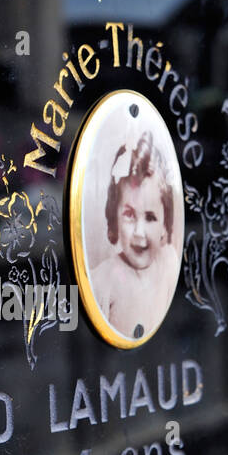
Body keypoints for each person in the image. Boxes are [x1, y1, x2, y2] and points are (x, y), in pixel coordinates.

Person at [89, 131, 179, 338]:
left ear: (165, 225)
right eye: (129, 215)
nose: (139, 233)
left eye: (150, 217)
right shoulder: (103, 281)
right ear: (114, 217)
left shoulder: (168, 263)